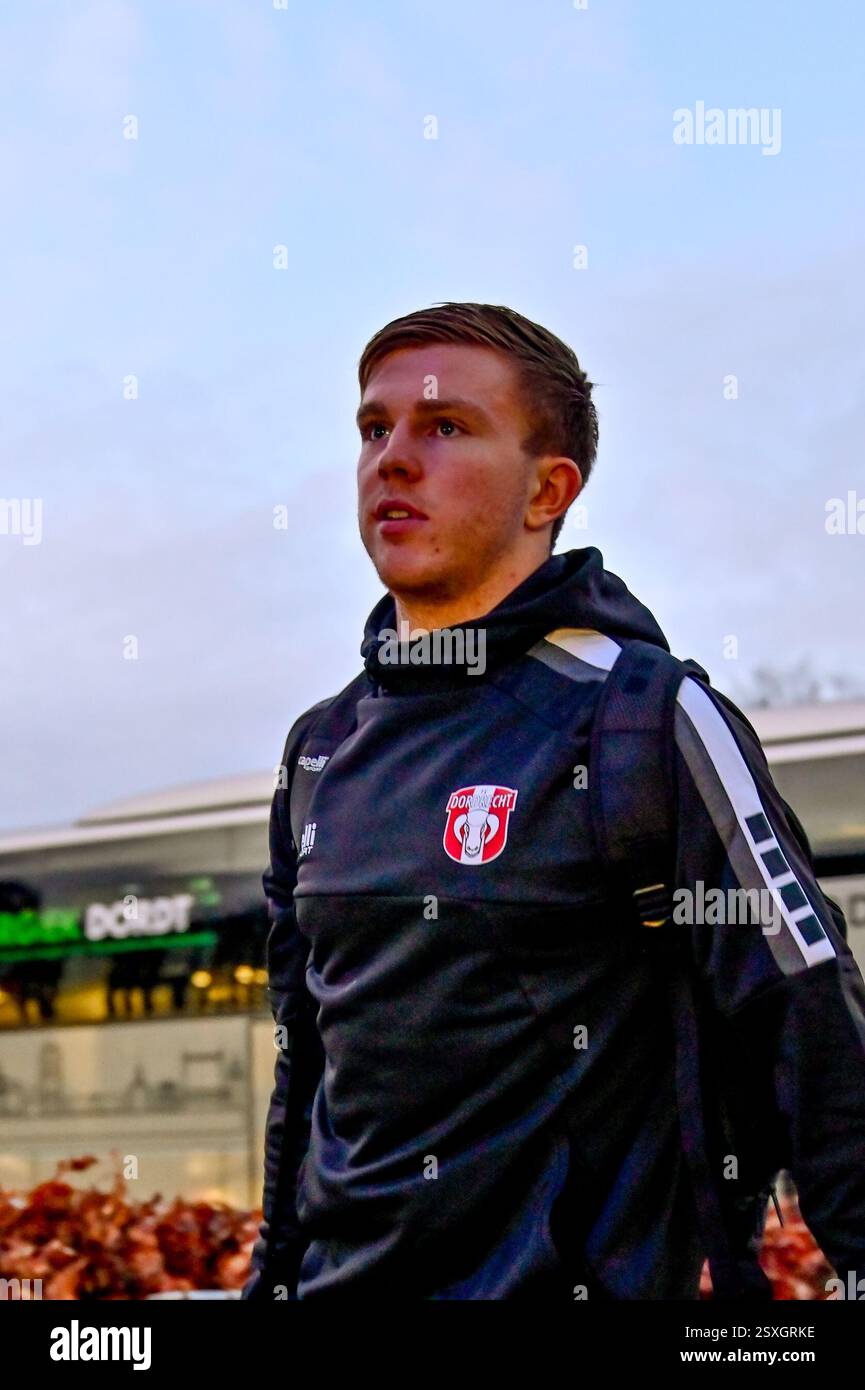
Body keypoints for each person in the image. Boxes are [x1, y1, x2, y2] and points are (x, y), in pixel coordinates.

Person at [242, 302, 865, 1301]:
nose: (393, 459)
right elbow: (304, 1062)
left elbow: (804, 1013)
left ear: (548, 488)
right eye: (374, 428)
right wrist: (271, 1275)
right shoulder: (319, 750)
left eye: (444, 428)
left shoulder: (645, 718)